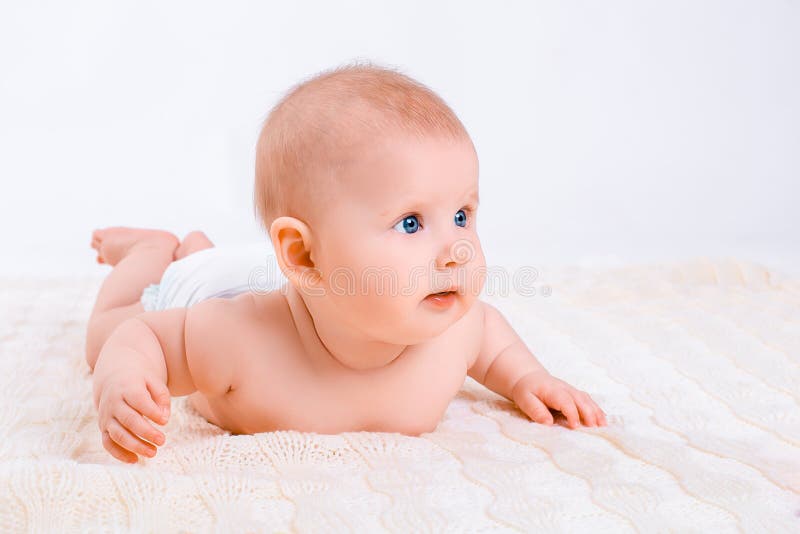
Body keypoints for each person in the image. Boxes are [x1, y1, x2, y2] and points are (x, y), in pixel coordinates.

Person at [85, 62, 607, 465]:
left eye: (461, 214)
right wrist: (125, 377)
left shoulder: (454, 331)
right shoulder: (238, 340)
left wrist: (527, 379)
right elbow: (142, 338)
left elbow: (489, 335)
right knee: (104, 332)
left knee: (215, 259)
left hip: (276, 273)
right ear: (305, 254)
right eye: (410, 223)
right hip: (206, 288)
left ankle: (199, 244)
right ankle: (151, 250)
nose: (457, 250)